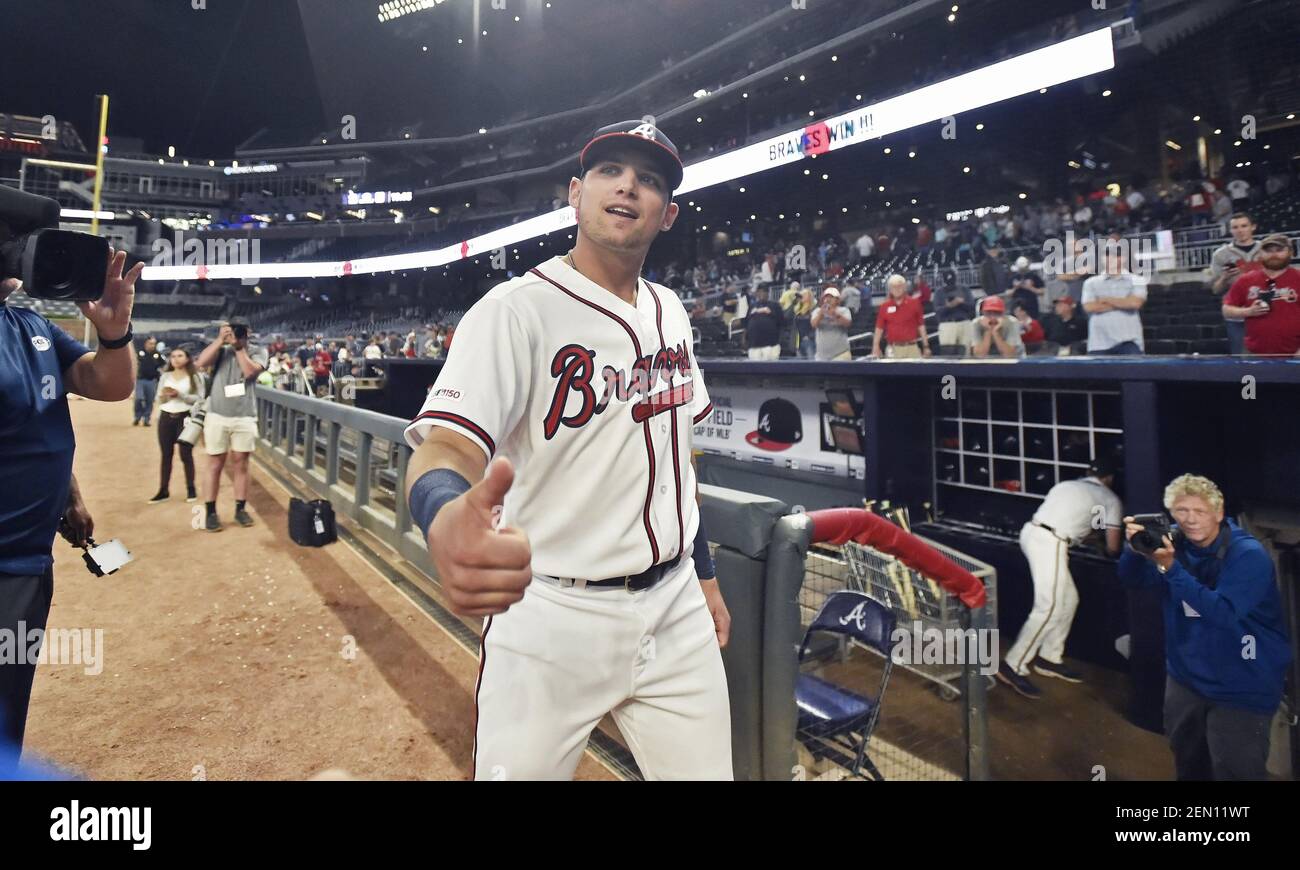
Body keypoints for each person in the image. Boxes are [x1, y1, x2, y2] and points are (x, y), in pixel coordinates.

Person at [403, 120, 731, 780]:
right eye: (611, 171)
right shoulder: (514, 310)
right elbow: (446, 445)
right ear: (576, 195)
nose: (628, 186)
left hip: (675, 612)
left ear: (666, 214)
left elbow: (677, 460)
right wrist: (441, 511)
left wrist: (704, 573)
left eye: (649, 180)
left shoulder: (672, 310)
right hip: (550, 613)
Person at [1, 247, 142, 761]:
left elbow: (107, 383)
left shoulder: (27, 323)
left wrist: (113, 332)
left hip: (28, 562)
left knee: (9, 701)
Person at [1118, 475, 1292, 780]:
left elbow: (1221, 613)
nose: (1191, 520)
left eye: (1199, 512)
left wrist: (1170, 568)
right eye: (1182, 511)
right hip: (1186, 680)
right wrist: (1135, 550)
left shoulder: (1248, 555)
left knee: (1236, 773)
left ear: (1218, 513)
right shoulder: (1171, 545)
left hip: (1242, 685)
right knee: (1189, 766)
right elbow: (1133, 580)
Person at [998, 457, 1124, 699]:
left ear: (1088, 472)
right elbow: (1112, 547)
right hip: (1052, 542)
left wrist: (1089, 536)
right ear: (1109, 479)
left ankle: (1049, 657)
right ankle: (1013, 664)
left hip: (1033, 533)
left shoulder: (1067, 485)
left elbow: (1075, 522)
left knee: (1069, 600)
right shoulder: (1110, 498)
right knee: (1050, 606)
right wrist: (1105, 543)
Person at [194, 320, 267, 532]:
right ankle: (210, 512)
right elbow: (200, 363)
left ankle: (240, 508)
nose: (237, 337)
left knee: (241, 463)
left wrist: (239, 349)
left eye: (240, 334)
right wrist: (220, 340)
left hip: (244, 416)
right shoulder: (221, 350)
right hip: (217, 414)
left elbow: (250, 372)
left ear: (247, 334)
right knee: (214, 464)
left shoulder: (258, 351)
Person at [1221, 233, 1300, 357]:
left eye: (1279, 250)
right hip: (1253, 352)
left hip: (1295, 353)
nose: (1274, 255)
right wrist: (1248, 311)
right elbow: (1226, 309)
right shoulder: (1246, 280)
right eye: (1268, 251)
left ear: (1291, 252)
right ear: (1260, 254)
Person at [149, 346, 204, 504]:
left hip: (185, 416)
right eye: (173, 356)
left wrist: (180, 395)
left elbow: (199, 398)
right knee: (166, 455)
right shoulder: (165, 376)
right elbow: (159, 396)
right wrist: (165, 395)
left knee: (185, 454)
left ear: (187, 358)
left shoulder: (195, 376)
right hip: (166, 416)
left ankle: (191, 488)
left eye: (180, 355)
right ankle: (163, 490)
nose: (176, 359)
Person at [1209, 213, 1262, 355]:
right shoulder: (1220, 255)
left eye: (1244, 226)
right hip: (1237, 315)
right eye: (1235, 227)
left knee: (1274, 356)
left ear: (1253, 227)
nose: (1240, 230)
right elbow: (1215, 289)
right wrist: (1225, 278)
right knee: (1242, 358)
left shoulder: (1267, 250)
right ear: (1230, 230)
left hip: (1268, 312)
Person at [1081, 244, 1147, 355]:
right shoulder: (1090, 282)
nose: (1109, 259)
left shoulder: (1137, 280)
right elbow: (1089, 307)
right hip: (1098, 343)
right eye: (1106, 255)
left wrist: (1105, 299)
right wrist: (1124, 302)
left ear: (1123, 258)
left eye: (1114, 255)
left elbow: (1135, 303)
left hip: (1129, 341)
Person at [871, 274, 930, 359]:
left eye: (899, 286)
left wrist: (926, 346)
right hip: (892, 348)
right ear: (890, 289)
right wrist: (875, 346)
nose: (897, 289)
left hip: (912, 347)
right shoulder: (884, 306)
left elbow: (921, 326)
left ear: (905, 287)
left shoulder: (915, 303)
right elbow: (879, 328)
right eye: (893, 287)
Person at [933, 270, 975, 348]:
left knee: (966, 353)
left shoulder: (964, 289)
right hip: (947, 324)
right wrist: (949, 306)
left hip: (964, 323)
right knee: (948, 354)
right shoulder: (939, 292)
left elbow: (972, 307)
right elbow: (937, 311)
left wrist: (961, 303)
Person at [811, 286, 852, 361]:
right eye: (826, 297)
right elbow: (813, 324)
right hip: (821, 356)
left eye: (831, 297)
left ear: (837, 300)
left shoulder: (844, 310)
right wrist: (821, 314)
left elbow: (848, 323)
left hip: (841, 354)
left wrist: (835, 314)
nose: (828, 299)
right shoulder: (817, 311)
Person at [744, 286, 783, 360]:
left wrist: (770, 313)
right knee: (753, 368)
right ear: (757, 294)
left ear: (768, 294)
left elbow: (782, 321)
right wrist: (744, 338)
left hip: (770, 344)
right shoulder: (752, 306)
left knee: (771, 368)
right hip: (754, 345)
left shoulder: (775, 305)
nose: (762, 294)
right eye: (759, 292)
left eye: (764, 291)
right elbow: (746, 323)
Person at [133, 336, 165, 426]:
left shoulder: (157, 354)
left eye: (154, 344)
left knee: (149, 400)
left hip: (152, 381)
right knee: (139, 399)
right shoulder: (140, 353)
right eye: (151, 343)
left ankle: (146, 419)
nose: (152, 345)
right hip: (140, 380)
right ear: (146, 343)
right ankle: (137, 417)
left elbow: (164, 365)